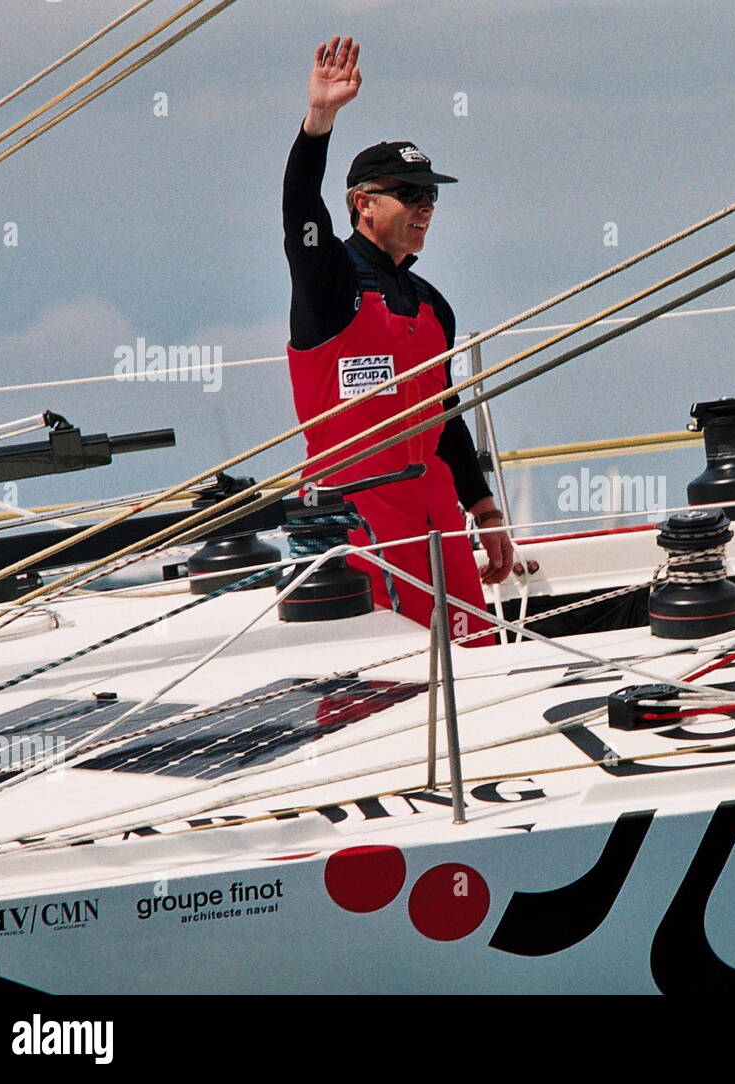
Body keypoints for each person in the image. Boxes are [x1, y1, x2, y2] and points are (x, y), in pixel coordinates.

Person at [282, 36, 512, 642]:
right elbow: (300, 210)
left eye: (431, 195)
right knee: (386, 680)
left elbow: (445, 413)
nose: (426, 207)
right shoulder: (329, 281)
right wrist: (319, 122)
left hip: (435, 509)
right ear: (363, 204)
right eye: (410, 193)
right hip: (358, 514)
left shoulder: (433, 303)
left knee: (482, 663)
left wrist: (483, 508)